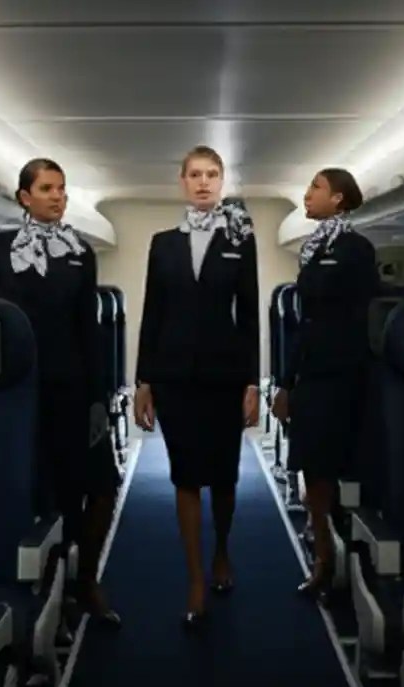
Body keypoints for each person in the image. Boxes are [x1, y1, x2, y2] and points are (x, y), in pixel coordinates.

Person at [0, 158, 120, 627]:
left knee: (100, 488)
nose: (57, 196)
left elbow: (88, 329)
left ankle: (87, 581)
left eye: (61, 189)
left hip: (73, 389)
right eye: (46, 188)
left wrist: (99, 397)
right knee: (42, 493)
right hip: (15, 394)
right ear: (24, 197)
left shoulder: (80, 250)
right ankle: (49, 587)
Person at [133, 145, 260, 630]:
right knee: (185, 475)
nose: (203, 182)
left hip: (224, 376)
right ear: (182, 182)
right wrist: (143, 380)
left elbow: (248, 315)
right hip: (174, 376)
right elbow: (151, 314)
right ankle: (194, 578)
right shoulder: (162, 242)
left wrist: (252, 380)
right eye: (195, 174)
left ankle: (222, 551)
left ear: (222, 182)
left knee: (224, 476)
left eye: (212, 174)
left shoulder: (239, 240)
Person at [271, 168, 378, 605]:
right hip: (313, 368)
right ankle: (322, 551)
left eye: (315, 187)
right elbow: (306, 322)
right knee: (312, 464)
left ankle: (325, 559)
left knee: (328, 463)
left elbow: (357, 312)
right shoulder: (313, 249)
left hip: (344, 371)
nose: (306, 195)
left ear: (338, 199)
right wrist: (285, 382)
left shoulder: (355, 248)